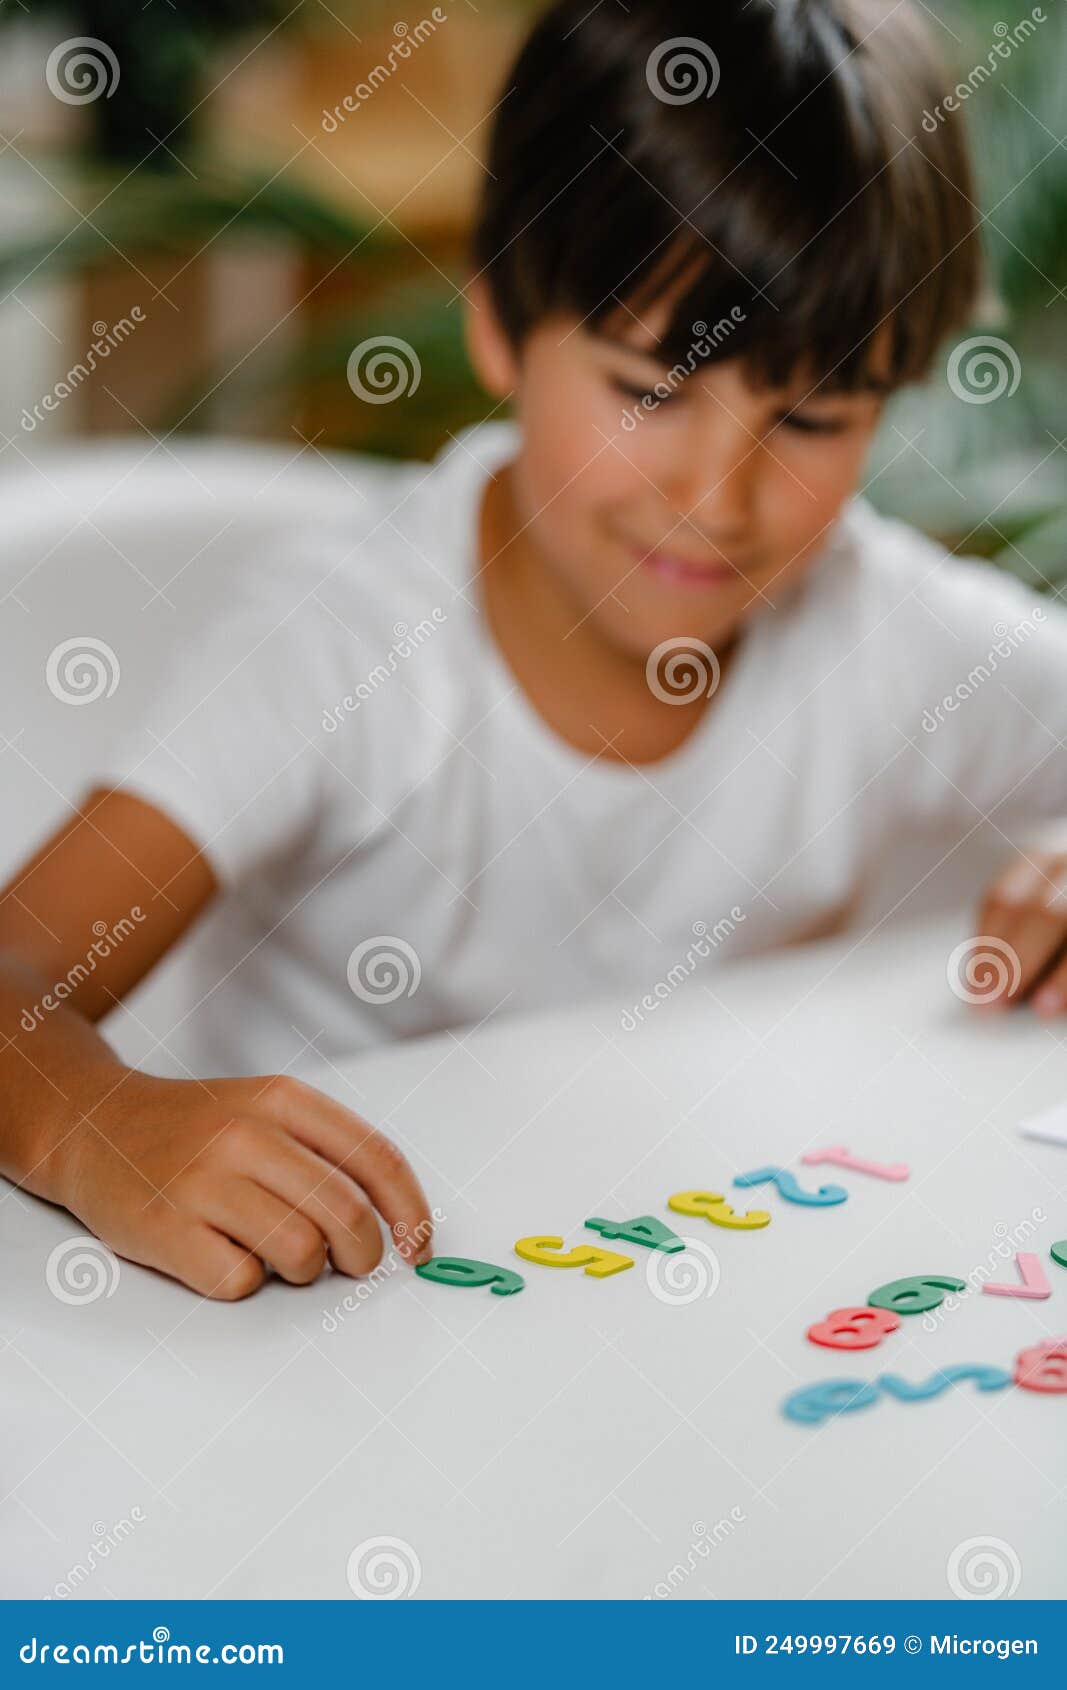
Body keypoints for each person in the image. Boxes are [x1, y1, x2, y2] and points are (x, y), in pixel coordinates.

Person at [2, 0, 1063, 1301]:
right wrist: (95, 1122)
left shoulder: (883, 629)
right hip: (331, 1340)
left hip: (685, 1310)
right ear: (499, 320)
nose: (715, 497)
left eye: (815, 416)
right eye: (648, 391)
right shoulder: (344, 643)